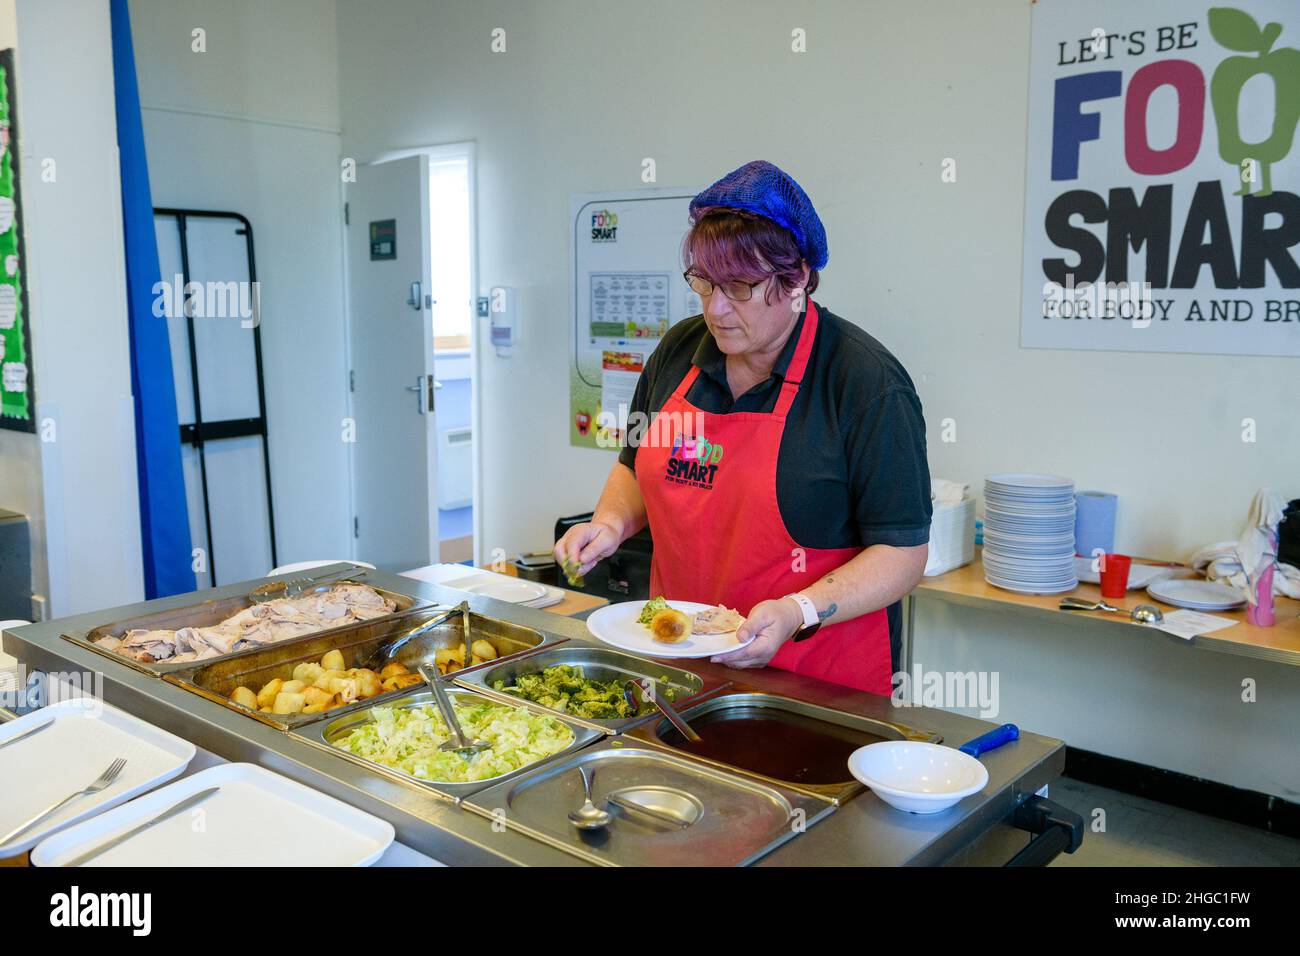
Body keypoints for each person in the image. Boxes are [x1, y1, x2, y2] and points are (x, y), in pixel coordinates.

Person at [556, 160, 931, 694]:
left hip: (815, 684)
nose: (717, 309)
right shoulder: (678, 352)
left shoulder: (865, 383)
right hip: (682, 663)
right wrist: (610, 525)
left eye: (739, 287)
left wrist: (797, 612)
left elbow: (903, 553)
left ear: (796, 278)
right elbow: (634, 468)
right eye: (704, 285)